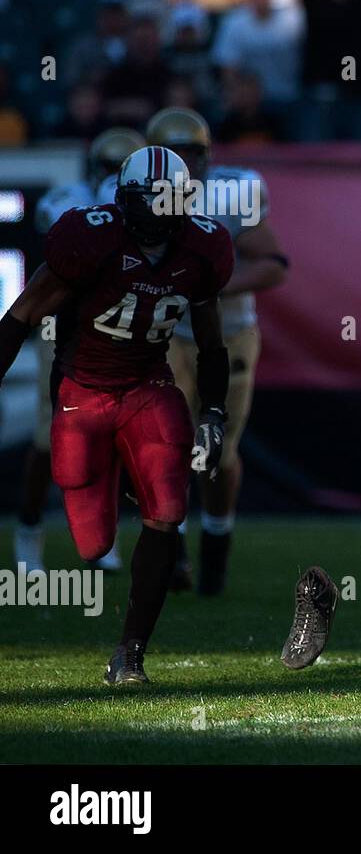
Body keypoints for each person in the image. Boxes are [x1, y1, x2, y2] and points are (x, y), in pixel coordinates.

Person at [0, 146, 233, 684]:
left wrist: (214, 412)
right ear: (126, 202)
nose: (158, 209)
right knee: (93, 541)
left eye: (167, 198)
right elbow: (22, 315)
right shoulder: (91, 239)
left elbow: (212, 343)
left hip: (148, 384)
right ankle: (117, 478)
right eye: (147, 198)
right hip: (83, 389)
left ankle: (129, 653)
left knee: (168, 508)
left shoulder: (201, 250)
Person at [130, 108, 288, 596]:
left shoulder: (231, 194)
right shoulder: (135, 194)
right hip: (165, 335)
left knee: (216, 449)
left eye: (193, 152)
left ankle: (216, 544)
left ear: (208, 155)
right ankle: (172, 549)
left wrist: (211, 285)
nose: (185, 163)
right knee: (165, 444)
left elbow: (274, 264)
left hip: (226, 334)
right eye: (174, 153)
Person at [13, 127, 144, 573]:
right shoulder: (70, 203)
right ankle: (29, 529)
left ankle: (99, 537)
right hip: (64, 326)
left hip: (118, 330)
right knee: (48, 436)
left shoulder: (147, 210)